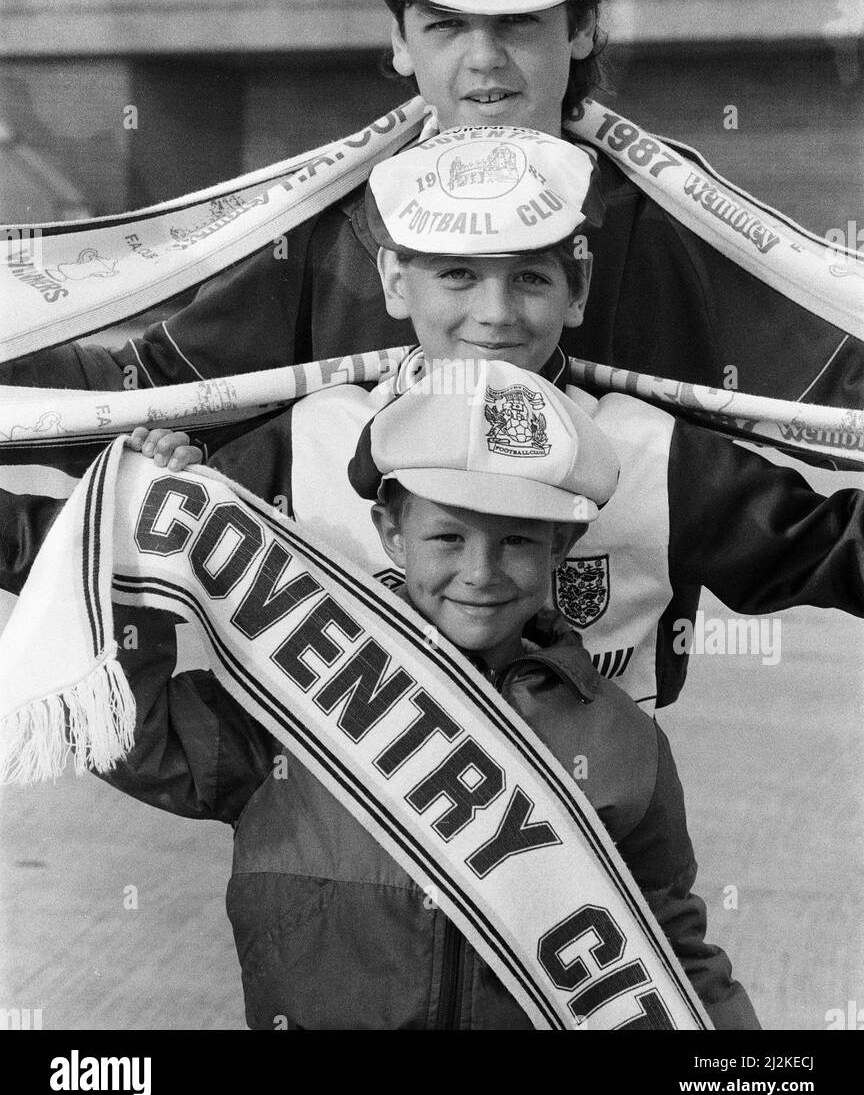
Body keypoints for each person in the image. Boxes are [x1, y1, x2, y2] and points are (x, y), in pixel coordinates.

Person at [3, 128, 863, 711]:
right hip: (343, 894)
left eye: (529, 278)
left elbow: (835, 552)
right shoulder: (312, 443)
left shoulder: (653, 454)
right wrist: (158, 496)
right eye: (456, 276)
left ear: (580, 289)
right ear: (390, 282)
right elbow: (89, 558)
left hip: (593, 882)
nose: (495, 316)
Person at [1, 0, 859, 415]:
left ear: (585, 28)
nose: (482, 60)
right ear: (401, 44)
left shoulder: (672, 214)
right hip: (370, 682)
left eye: (517, 21)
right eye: (446, 25)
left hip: (595, 688)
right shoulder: (332, 219)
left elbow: (836, 381)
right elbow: (143, 391)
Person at [93, 360, 760, 1030]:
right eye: (447, 536)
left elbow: (669, 954)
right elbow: (130, 739)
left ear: (563, 545)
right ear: (391, 534)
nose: (479, 573)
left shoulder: (622, 741)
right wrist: (134, 548)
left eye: (518, 541)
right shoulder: (295, 694)